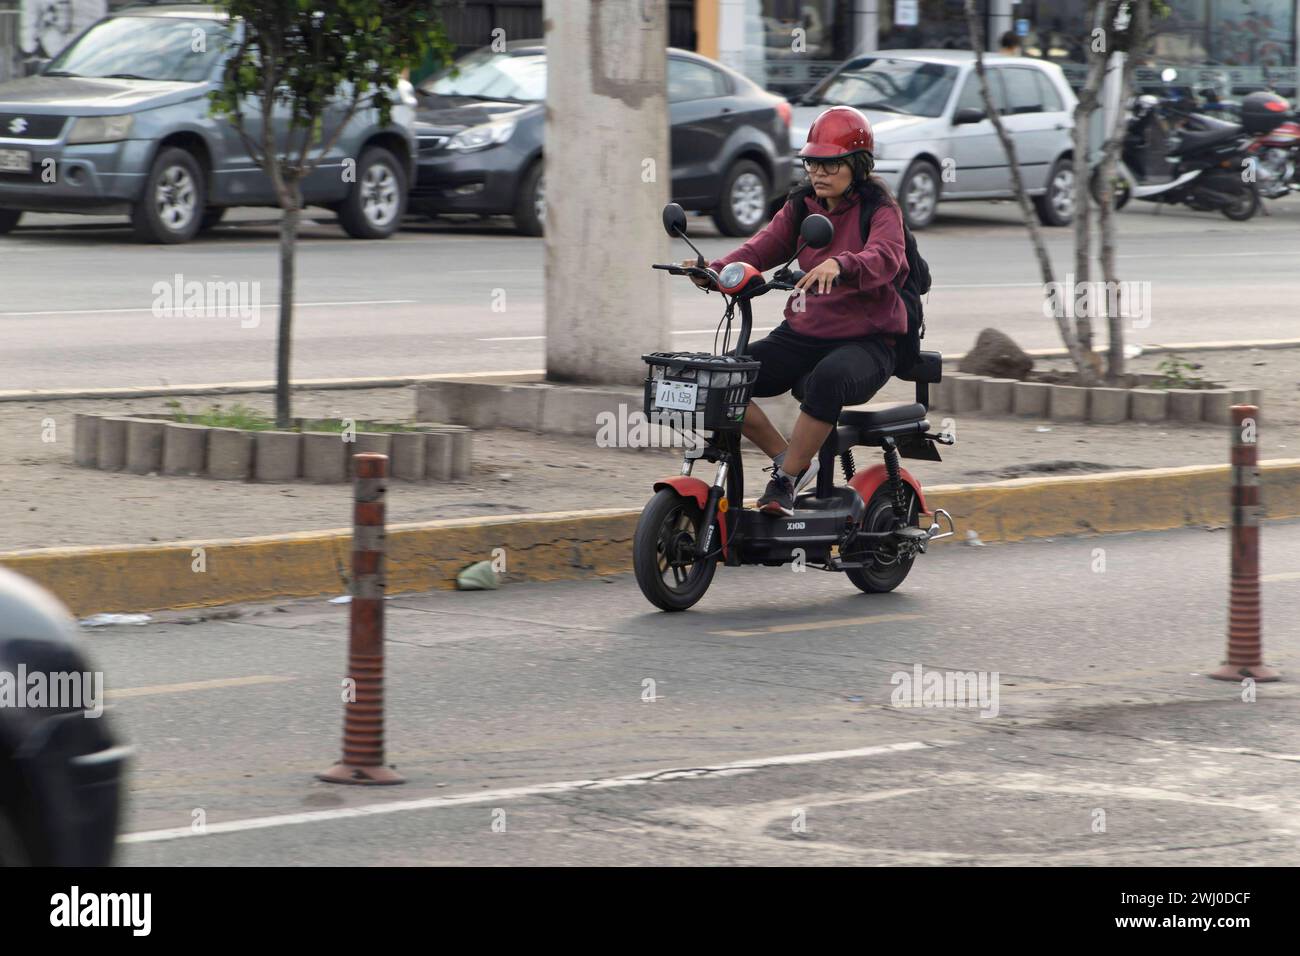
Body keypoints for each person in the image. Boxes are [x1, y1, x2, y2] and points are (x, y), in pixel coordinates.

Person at [683, 105, 908, 517]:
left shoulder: (880, 209)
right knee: (725, 379)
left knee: (826, 379)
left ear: (857, 166)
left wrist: (842, 263)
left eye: (830, 164)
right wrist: (715, 271)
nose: (818, 173)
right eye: (812, 163)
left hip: (867, 343)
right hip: (803, 334)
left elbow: (887, 257)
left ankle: (784, 480)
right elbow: (762, 246)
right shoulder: (803, 204)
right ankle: (790, 462)